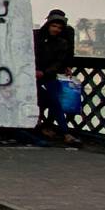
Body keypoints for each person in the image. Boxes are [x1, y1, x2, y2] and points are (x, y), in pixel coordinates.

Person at [34, 9, 78, 144]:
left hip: (47, 74)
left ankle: (62, 131)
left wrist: (44, 72)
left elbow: (59, 61)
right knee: (49, 100)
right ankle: (48, 127)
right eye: (54, 26)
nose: (56, 29)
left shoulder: (61, 43)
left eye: (59, 27)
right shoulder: (36, 37)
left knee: (54, 101)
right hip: (35, 74)